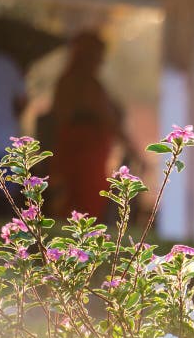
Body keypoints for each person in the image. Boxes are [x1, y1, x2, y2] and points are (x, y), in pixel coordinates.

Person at [50, 31, 134, 220]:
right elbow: (107, 118)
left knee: (70, 205)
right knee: (84, 207)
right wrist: (132, 148)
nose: (99, 62)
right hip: (85, 155)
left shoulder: (65, 81)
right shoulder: (85, 83)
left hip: (75, 152)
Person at [0, 51, 28, 215]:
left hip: (4, 138)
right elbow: (22, 101)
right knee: (8, 195)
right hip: (5, 139)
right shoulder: (9, 65)